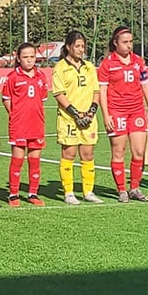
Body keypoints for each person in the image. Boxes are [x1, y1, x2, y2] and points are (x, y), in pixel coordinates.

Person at [98, 26, 148, 202]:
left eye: (131, 42)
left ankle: (135, 188)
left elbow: (145, 84)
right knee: (119, 151)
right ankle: (121, 189)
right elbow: (102, 90)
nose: (129, 45)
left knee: (138, 151)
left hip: (137, 110)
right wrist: (106, 115)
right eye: (125, 42)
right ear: (115, 43)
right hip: (117, 111)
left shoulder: (138, 61)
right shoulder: (107, 64)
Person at [51, 30, 101, 205]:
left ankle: (88, 191)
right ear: (68, 47)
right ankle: (69, 192)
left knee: (87, 154)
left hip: (88, 118)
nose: (81, 50)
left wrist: (91, 112)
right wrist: (75, 113)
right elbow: (58, 93)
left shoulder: (89, 67)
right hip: (68, 119)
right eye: (77, 46)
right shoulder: (60, 68)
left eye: (83, 46)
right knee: (69, 153)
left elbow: (96, 91)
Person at [2, 42, 49, 207]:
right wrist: (15, 115)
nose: (29, 60)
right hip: (19, 125)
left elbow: (42, 99)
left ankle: (32, 193)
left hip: (36, 124)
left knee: (35, 160)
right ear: (18, 58)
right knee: (17, 159)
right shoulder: (12, 77)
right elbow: (6, 99)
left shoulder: (41, 76)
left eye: (32, 57)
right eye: (25, 57)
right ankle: (13, 194)